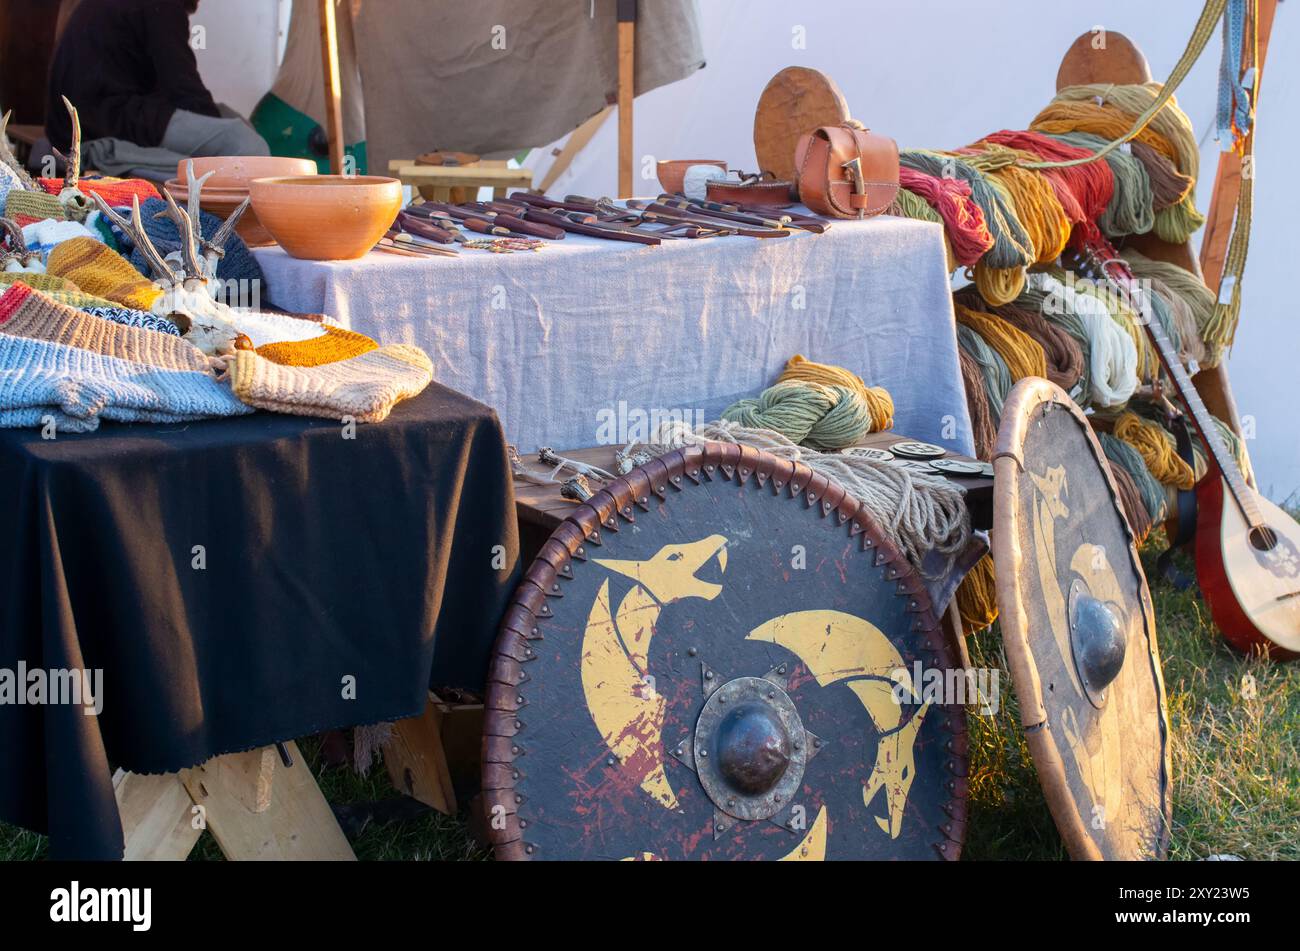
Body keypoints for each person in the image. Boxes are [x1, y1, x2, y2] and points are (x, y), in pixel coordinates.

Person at [46, 0, 269, 181]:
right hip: (99, 125)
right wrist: (215, 141)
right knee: (250, 148)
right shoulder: (162, 5)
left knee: (233, 120)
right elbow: (183, 87)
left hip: (96, 114)